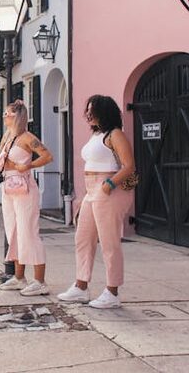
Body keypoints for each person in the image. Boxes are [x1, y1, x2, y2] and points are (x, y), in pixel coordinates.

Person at [57, 95, 136, 309]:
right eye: (87, 110)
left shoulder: (115, 134)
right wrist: (85, 195)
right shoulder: (96, 135)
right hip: (92, 191)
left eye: (93, 111)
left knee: (109, 242)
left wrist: (108, 185)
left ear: (105, 112)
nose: (88, 115)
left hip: (108, 189)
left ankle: (112, 291)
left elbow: (129, 165)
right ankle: (81, 286)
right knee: (83, 238)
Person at [0, 99, 54, 296]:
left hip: (24, 187)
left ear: (16, 117)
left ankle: (40, 281)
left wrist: (28, 166)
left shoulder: (28, 138)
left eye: (7, 114)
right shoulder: (7, 137)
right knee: (13, 231)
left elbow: (47, 156)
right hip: (8, 186)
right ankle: (19, 277)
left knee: (28, 231)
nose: (4, 117)